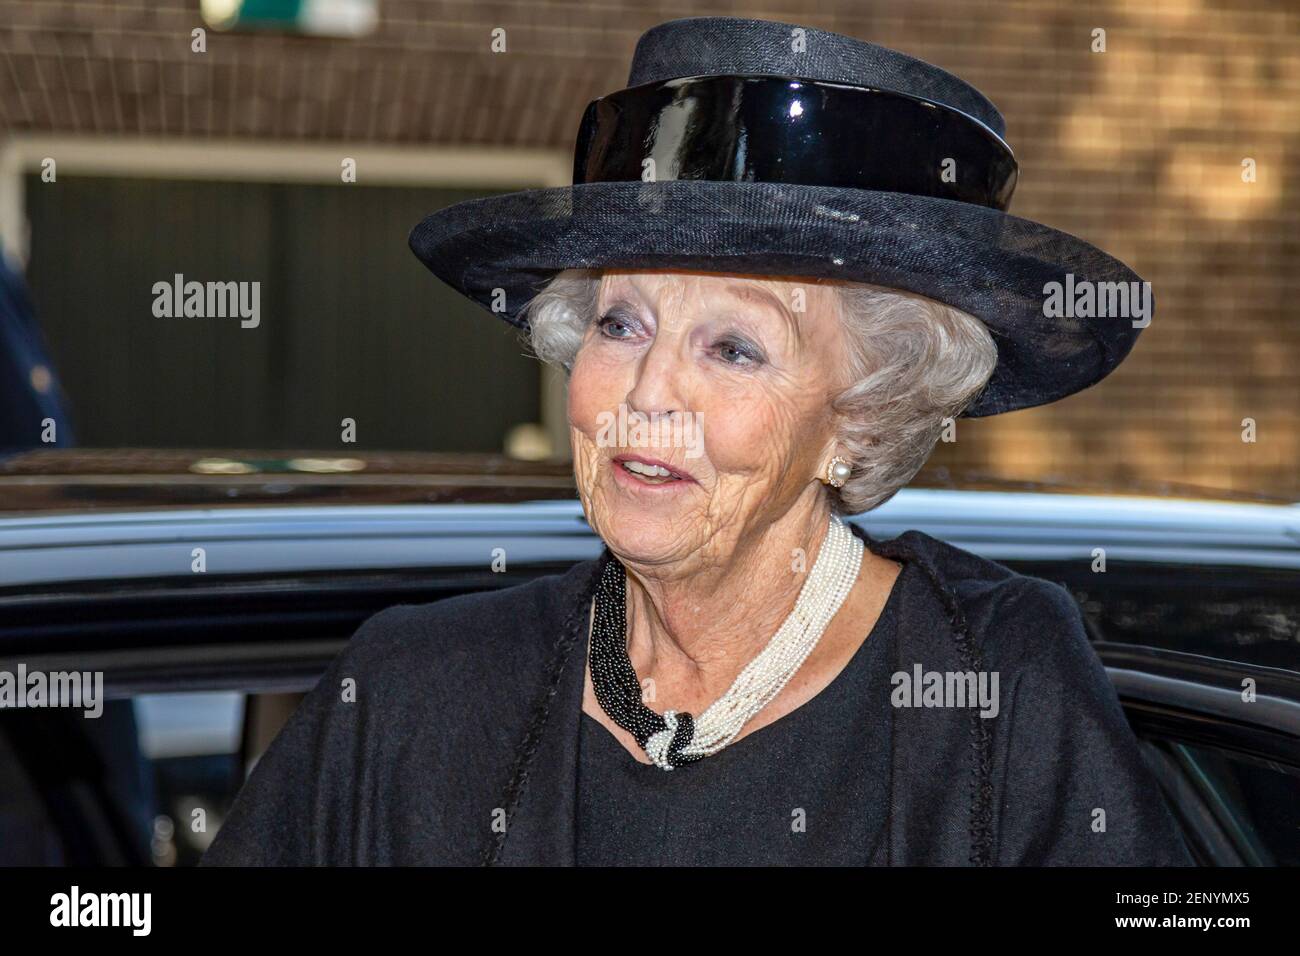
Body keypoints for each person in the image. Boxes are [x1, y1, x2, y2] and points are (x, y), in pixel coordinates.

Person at [202, 16, 1191, 866]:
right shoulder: (413, 692)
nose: (647, 389)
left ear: (859, 417)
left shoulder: (996, 685)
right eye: (621, 322)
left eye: (732, 345)